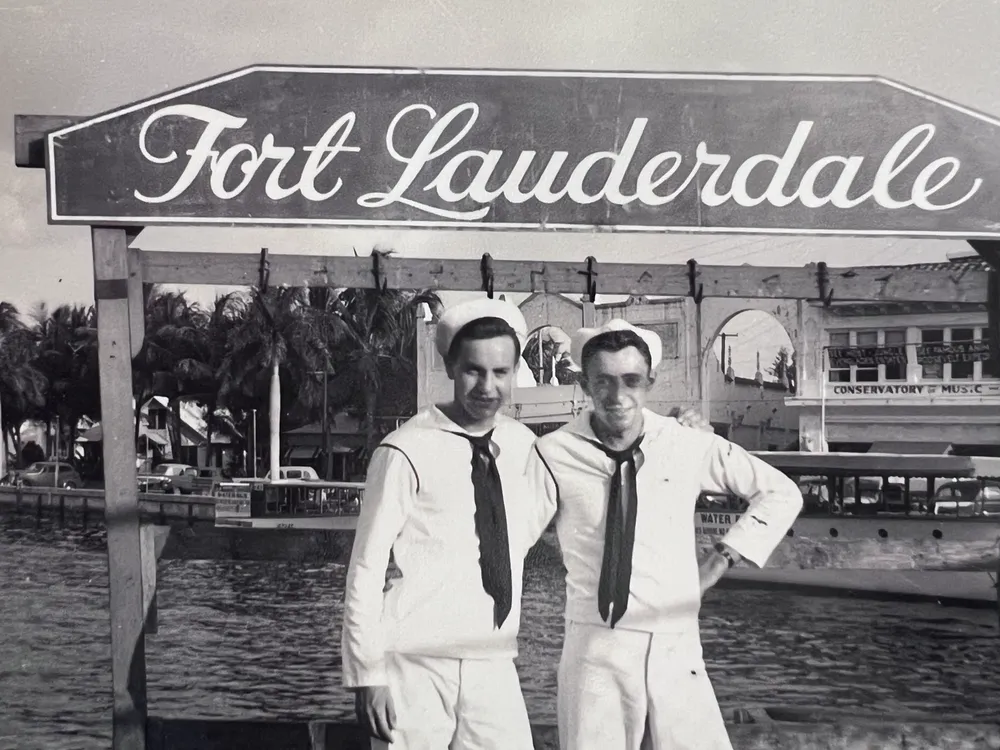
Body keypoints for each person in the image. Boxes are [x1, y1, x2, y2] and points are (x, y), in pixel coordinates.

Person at [524, 318, 804, 750]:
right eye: (603, 381)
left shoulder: (686, 443)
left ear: (650, 381)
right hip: (595, 647)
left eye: (631, 380)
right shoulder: (551, 453)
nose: (618, 396)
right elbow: (511, 532)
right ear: (584, 384)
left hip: (675, 643)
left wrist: (719, 560)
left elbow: (781, 492)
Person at [340, 297, 541, 750]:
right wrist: (367, 675)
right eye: (474, 370)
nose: (487, 386)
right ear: (450, 367)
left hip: (493, 661)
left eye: (501, 372)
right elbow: (366, 570)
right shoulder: (404, 450)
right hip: (414, 662)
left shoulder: (526, 446)